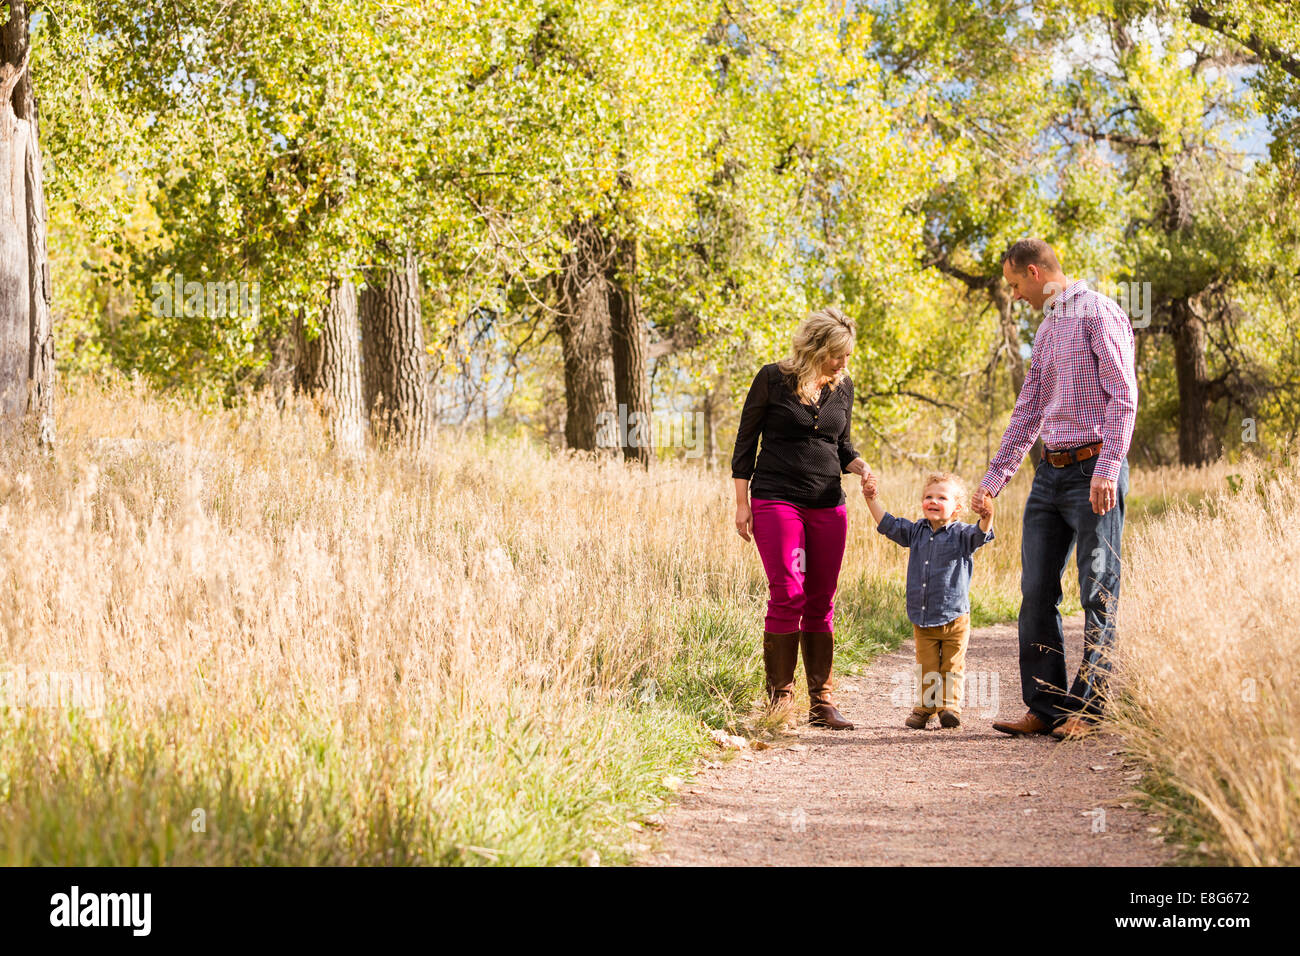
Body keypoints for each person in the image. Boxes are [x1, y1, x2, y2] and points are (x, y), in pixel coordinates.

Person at [973, 239, 1138, 741]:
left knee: (1098, 588)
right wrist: (994, 480)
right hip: (1049, 473)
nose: (1015, 295)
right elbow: (1028, 410)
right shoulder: (1046, 329)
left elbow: (1123, 394)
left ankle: (1089, 710)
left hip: (1094, 470)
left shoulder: (1098, 312)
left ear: (1034, 271)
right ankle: (1045, 706)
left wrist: (1108, 467)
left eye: (1015, 285)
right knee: (1036, 592)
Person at [731, 307, 871, 729]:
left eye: (847, 356)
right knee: (789, 592)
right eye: (836, 354)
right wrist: (741, 503)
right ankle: (780, 700)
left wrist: (860, 465)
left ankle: (821, 701)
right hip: (777, 499)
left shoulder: (843, 388)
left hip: (828, 503)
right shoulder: (772, 379)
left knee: (821, 599)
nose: (842, 363)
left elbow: (842, 446)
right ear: (815, 347)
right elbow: (745, 443)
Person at [863, 472, 995, 729]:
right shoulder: (916, 532)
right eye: (928, 497)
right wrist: (871, 500)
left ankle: (949, 707)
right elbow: (888, 524)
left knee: (952, 665)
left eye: (942, 498)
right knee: (927, 666)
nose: (933, 501)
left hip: (954, 617)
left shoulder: (962, 534)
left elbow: (981, 533)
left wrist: (987, 514)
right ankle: (926, 708)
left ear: (957, 507)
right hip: (922, 617)